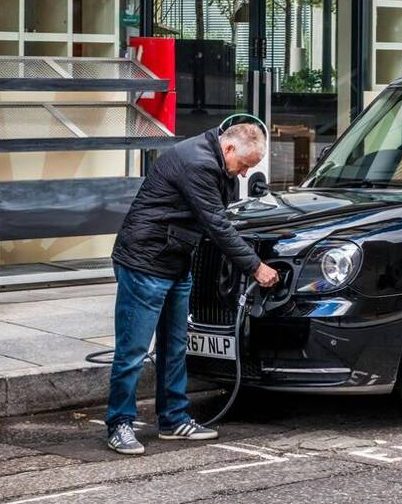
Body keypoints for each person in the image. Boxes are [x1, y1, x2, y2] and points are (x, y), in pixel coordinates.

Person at [105, 122, 279, 455]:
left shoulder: (217, 161)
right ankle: (119, 424)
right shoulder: (197, 163)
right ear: (229, 149)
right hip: (145, 262)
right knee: (133, 350)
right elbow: (217, 224)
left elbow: (222, 217)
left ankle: (173, 419)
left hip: (175, 262)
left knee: (175, 347)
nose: (244, 175)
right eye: (244, 165)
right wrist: (256, 267)